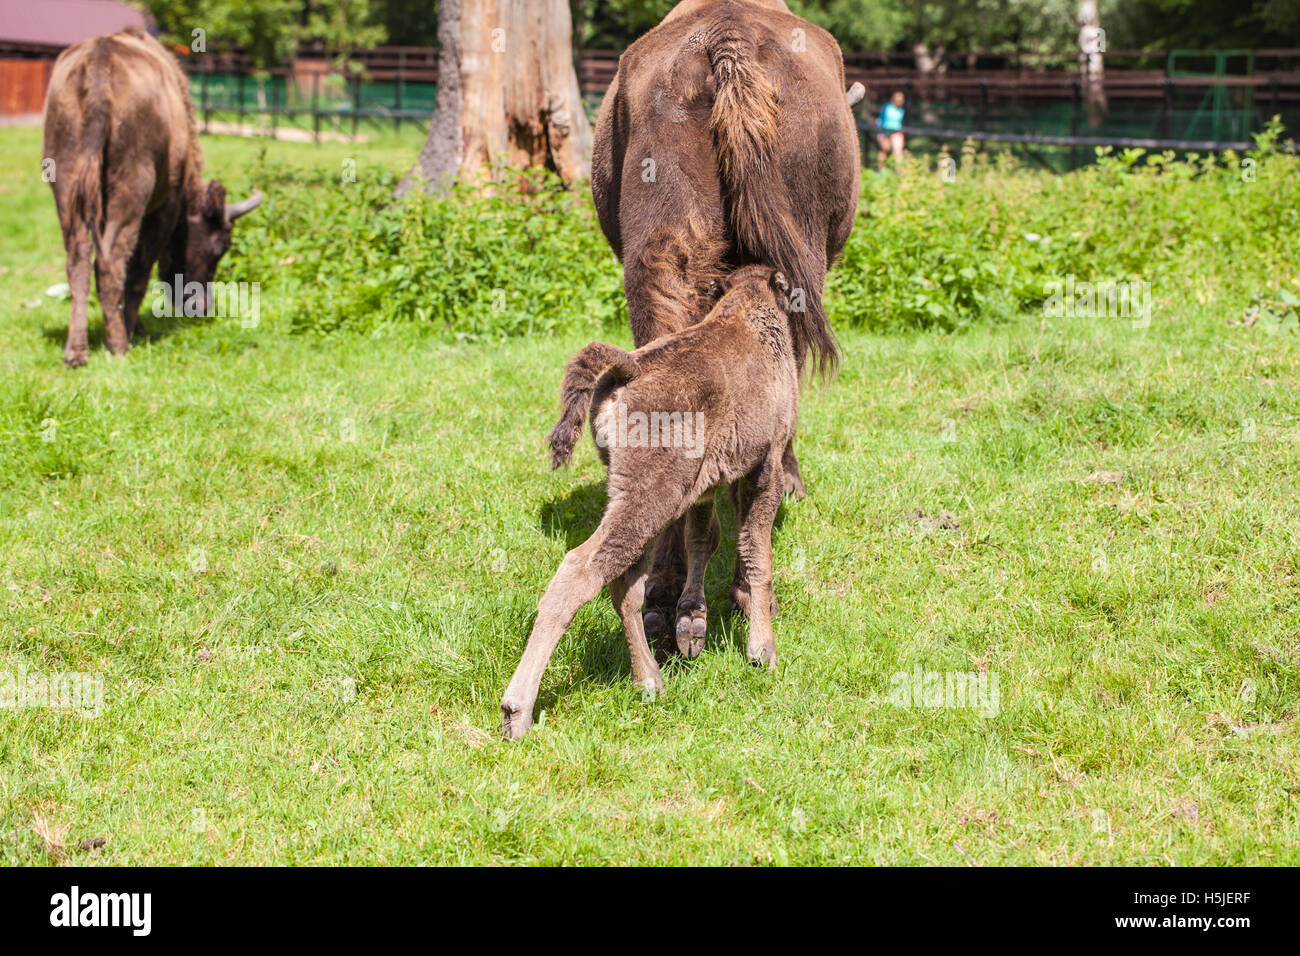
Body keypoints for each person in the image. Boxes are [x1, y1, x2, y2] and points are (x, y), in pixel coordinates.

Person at [876, 90, 906, 169]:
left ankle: (898, 170)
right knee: (884, 150)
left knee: (898, 151)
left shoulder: (902, 110)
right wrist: (880, 134)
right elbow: (880, 120)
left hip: (896, 132)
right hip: (884, 131)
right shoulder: (887, 107)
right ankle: (881, 170)